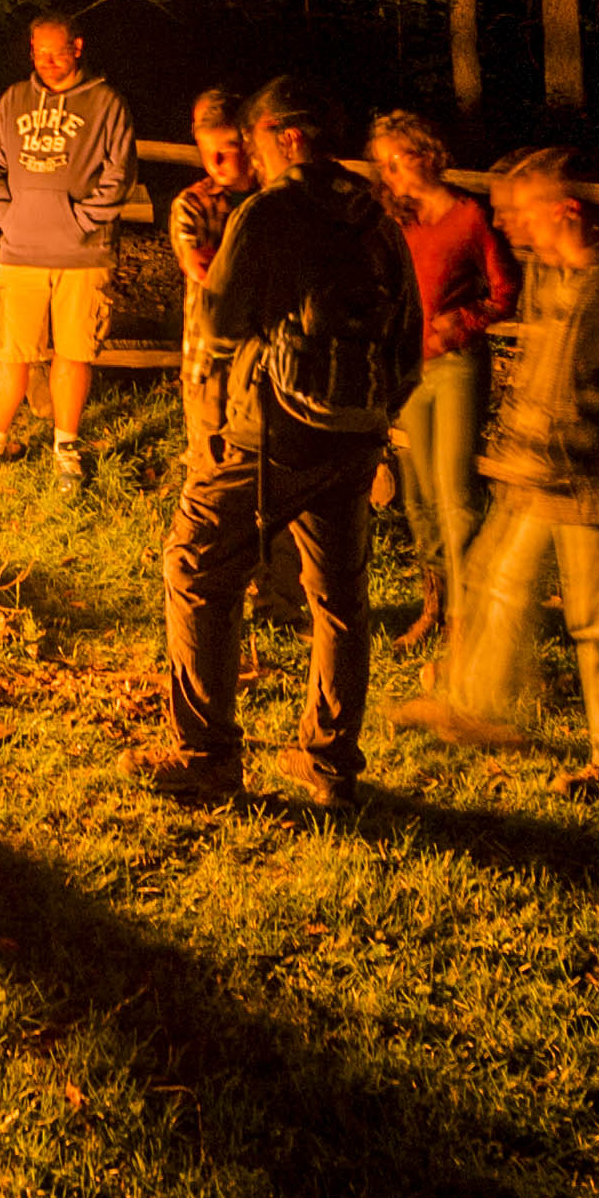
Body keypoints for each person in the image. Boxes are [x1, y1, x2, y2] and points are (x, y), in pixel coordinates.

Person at [122, 77, 416, 809]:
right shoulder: (375, 214)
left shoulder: (269, 212)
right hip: (355, 434)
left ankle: (207, 759)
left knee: (194, 565)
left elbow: (219, 322)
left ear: (286, 137)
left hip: (271, 432)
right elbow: (408, 339)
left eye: (256, 139)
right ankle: (331, 763)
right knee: (341, 599)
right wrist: (372, 416)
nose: (250, 154)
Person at [394, 150, 599, 790]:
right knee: (491, 577)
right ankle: (475, 705)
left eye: (518, 212)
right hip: (534, 465)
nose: (506, 224)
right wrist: (515, 446)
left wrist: (536, 457)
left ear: (565, 210)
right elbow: (537, 378)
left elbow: (573, 387)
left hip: (579, 476)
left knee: (595, 617)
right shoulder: (549, 273)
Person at [0, 7, 134, 487]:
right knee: (8, 350)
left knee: (73, 352)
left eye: (57, 52)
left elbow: (119, 173)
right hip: (21, 251)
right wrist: (6, 216)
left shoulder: (106, 104)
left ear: (77, 48)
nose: (48, 62)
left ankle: (66, 448)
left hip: (84, 253)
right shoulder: (15, 99)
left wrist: (81, 221)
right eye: (40, 52)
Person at [371, 109, 515, 651]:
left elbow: (504, 292)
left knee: (455, 497)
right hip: (411, 368)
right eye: (382, 165)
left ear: (428, 155)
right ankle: (435, 606)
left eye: (398, 160)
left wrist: (467, 319)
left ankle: (468, 616)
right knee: (418, 498)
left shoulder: (470, 217)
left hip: (455, 368)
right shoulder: (395, 219)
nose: (390, 174)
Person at [167, 83, 300, 632]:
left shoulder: (276, 203)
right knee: (212, 475)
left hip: (272, 364)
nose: (219, 162)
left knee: (279, 476)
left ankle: (282, 597)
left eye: (228, 148)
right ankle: (215, 593)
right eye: (207, 151)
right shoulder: (193, 204)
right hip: (211, 368)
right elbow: (209, 271)